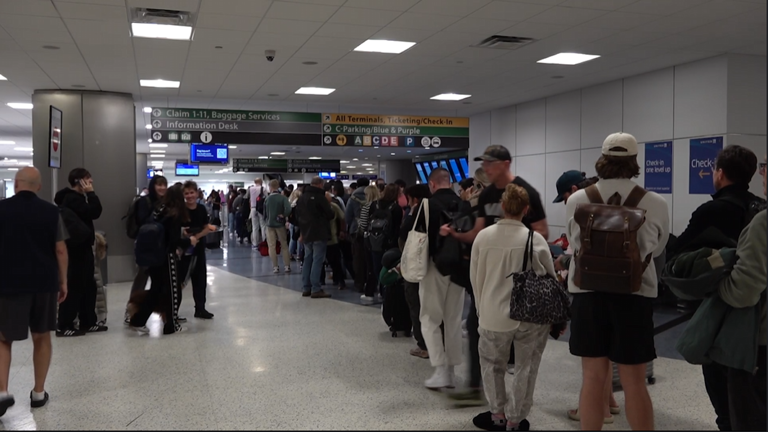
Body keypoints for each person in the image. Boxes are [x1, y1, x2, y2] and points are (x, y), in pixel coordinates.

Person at [565, 132, 669, 431]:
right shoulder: (655, 202)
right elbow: (658, 249)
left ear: (602, 159)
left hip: (588, 294)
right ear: (634, 161)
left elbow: (575, 244)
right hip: (635, 295)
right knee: (635, 382)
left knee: (593, 378)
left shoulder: (577, 199)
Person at [445, 146, 548, 384]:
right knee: (476, 324)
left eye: (491, 164)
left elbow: (541, 231)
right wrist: (455, 235)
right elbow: (477, 232)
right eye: (485, 164)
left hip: (519, 275)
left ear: (505, 164)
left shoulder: (526, 192)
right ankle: (477, 383)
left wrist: (511, 239)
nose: (486, 169)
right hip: (492, 274)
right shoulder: (488, 195)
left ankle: (516, 392)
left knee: (519, 331)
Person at [470, 184, 556, 432]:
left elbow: (476, 278)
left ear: (503, 207)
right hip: (529, 317)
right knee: (525, 367)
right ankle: (515, 419)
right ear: (526, 210)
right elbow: (549, 277)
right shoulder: (535, 239)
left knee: (491, 364)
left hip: (492, 315)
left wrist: (480, 309)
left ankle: (496, 413)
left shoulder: (483, 237)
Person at [549, 171, 618, 424]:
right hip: (619, 287)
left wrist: (563, 260)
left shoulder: (584, 206)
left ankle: (599, 410)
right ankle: (609, 401)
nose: (566, 201)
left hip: (590, 288)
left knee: (591, 356)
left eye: (566, 195)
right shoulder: (617, 200)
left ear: (576, 189)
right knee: (606, 350)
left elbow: (581, 252)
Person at [0, 168, 68, 414]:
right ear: (39, 187)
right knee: (41, 337)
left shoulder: (1, 209)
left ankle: (2, 392)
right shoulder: (51, 212)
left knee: (3, 339)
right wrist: (63, 281)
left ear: (16, 184)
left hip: (8, 283)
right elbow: (60, 250)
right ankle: (39, 393)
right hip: (44, 283)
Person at [717, 156, 767, 431]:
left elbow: (744, 292)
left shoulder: (763, 223)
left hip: (759, 348)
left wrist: (719, 287)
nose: (762, 174)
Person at [414, 168, 465, 390]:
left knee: (429, 318)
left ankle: (440, 369)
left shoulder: (428, 205)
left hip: (435, 267)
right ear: (450, 182)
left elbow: (415, 235)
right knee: (453, 319)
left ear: (432, 184)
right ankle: (451, 372)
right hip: (459, 269)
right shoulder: (465, 205)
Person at [129, 184, 197, 335]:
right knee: (173, 290)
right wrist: (188, 241)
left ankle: (138, 320)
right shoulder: (175, 213)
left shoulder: (159, 208)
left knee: (157, 289)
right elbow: (172, 241)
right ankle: (171, 325)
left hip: (153, 255)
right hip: (166, 256)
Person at [55, 168, 104, 337]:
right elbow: (95, 211)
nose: (91, 182)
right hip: (75, 248)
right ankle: (65, 324)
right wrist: (91, 194)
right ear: (79, 181)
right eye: (87, 179)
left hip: (82, 247)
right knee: (75, 285)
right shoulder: (72, 199)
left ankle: (88, 321)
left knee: (88, 286)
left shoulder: (71, 198)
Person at [125, 175, 168, 325]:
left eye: (164, 185)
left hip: (160, 246)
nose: (162, 188)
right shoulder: (144, 201)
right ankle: (131, 308)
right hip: (146, 246)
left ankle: (164, 310)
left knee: (160, 281)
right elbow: (143, 222)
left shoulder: (166, 202)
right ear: (152, 186)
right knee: (142, 276)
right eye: (159, 185)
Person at [399, 184, 432, 359]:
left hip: (417, 264)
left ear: (414, 199)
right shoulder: (437, 208)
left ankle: (423, 345)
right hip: (435, 266)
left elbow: (404, 233)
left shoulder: (417, 212)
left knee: (416, 303)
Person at [178, 181, 214, 320]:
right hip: (183, 251)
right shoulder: (181, 210)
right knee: (181, 280)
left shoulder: (201, 209)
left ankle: (200, 308)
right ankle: (174, 310)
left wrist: (195, 237)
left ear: (197, 193)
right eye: (186, 193)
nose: (189, 196)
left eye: (191, 192)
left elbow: (206, 227)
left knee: (200, 280)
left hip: (198, 249)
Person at [361, 184, 403, 305]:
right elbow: (396, 228)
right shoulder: (396, 208)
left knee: (373, 268)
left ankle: (370, 293)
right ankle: (384, 293)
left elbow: (365, 224)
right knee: (387, 267)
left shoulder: (373, 205)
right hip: (389, 243)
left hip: (372, 241)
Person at [296, 177, 335, 299]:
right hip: (319, 231)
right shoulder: (320, 197)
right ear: (320, 185)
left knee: (308, 259)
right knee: (318, 260)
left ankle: (306, 287)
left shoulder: (301, 198)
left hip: (306, 232)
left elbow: (297, 216)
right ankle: (316, 288)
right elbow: (330, 214)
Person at [346, 178, 375, 295]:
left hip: (357, 232)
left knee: (358, 258)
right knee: (371, 259)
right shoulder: (375, 197)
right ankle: (372, 283)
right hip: (373, 232)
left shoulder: (353, 198)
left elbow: (347, 217)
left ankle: (359, 283)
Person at [264, 179, 292, 274]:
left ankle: (275, 267)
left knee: (271, 246)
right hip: (280, 224)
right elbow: (288, 209)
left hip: (269, 224)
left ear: (270, 187)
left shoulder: (267, 199)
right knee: (284, 245)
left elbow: (264, 213)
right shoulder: (282, 198)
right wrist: (283, 215)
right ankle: (287, 266)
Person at [325, 191, 347, 289]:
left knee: (335, 261)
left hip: (332, 238)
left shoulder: (334, 206)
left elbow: (342, 218)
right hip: (326, 238)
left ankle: (339, 280)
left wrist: (342, 231)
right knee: (332, 261)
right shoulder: (331, 206)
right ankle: (336, 280)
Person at [249, 178, 268, 247]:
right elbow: (267, 198)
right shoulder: (263, 189)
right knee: (263, 226)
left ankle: (255, 243)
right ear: (261, 182)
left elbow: (249, 199)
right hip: (261, 209)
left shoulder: (251, 189)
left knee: (255, 227)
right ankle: (264, 242)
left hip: (253, 208)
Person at [288, 189, 303, 264]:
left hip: (291, 223)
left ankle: (290, 254)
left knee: (292, 238)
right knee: (299, 239)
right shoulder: (299, 203)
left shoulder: (291, 202)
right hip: (297, 223)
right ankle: (299, 255)